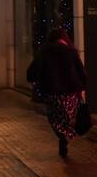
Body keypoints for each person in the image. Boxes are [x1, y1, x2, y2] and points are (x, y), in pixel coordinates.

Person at [27, 29, 88, 157]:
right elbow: (80, 70)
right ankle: (65, 136)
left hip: (52, 92)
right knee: (68, 117)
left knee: (54, 118)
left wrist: (32, 79)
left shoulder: (45, 50)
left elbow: (34, 69)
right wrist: (83, 84)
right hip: (70, 91)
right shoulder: (71, 51)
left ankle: (61, 136)